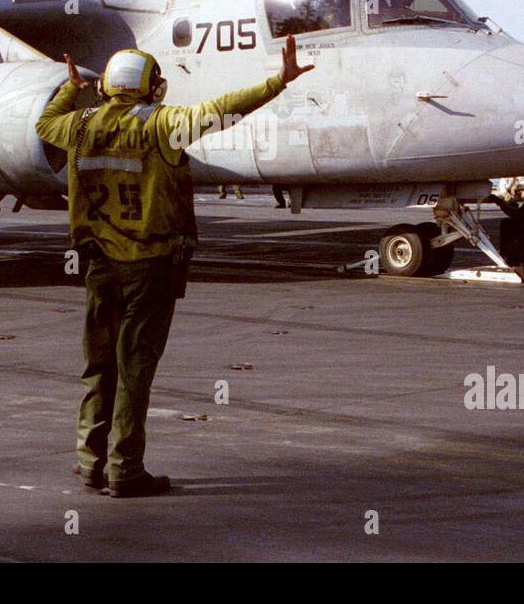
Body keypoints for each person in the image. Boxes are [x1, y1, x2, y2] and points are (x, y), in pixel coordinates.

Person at [35, 36, 314, 497]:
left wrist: (70, 90)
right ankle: (124, 470)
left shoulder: (78, 127)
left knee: (98, 366)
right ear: (154, 88)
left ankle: (89, 462)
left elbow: (45, 124)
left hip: (99, 266)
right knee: (134, 370)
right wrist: (277, 82)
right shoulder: (164, 125)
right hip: (150, 267)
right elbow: (224, 109)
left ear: (105, 87)